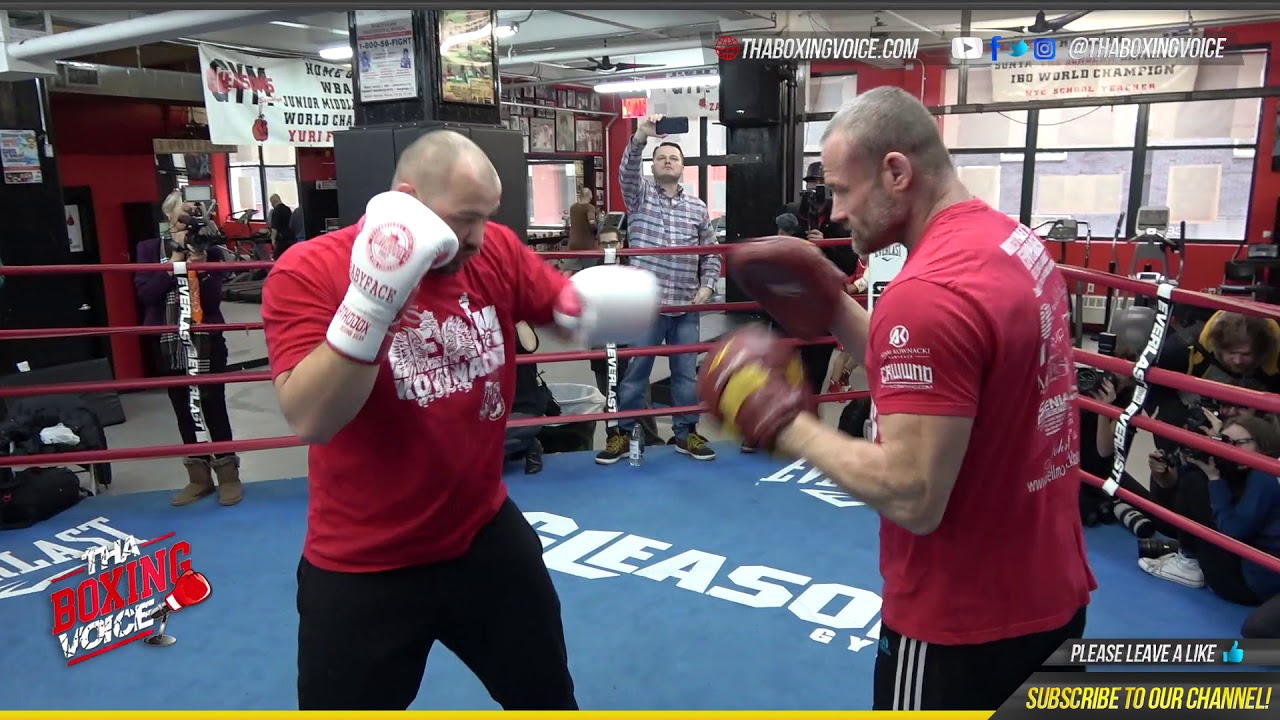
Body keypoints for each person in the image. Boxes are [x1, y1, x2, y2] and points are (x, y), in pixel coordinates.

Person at [697, 86, 1094, 711]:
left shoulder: (930, 290)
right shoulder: (1012, 244)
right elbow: (950, 377)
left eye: (841, 190)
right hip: (1048, 591)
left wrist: (782, 422)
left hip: (962, 616)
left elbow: (913, 494)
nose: (832, 211)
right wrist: (834, 302)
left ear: (896, 172)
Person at [259, 130, 658, 711]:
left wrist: (597, 304)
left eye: (487, 217)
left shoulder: (492, 247)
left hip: (482, 536)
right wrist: (372, 302)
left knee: (547, 698)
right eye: (463, 219)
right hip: (365, 561)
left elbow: (564, 308)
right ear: (406, 200)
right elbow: (312, 419)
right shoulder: (311, 270)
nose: (476, 236)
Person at [596, 114, 721, 464]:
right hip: (646, 307)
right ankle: (622, 434)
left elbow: (711, 252)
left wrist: (708, 286)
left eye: (674, 158)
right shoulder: (639, 197)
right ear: (653, 164)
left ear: (683, 167)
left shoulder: (697, 208)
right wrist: (639, 139)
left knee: (684, 376)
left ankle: (686, 434)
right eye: (662, 157)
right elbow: (626, 173)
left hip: (685, 305)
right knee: (636, 376)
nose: (668, 161)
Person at [133, 189, 241, 507]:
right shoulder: (149, 249)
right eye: (182, 216)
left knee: (214, 405)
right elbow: (146, 294)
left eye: (193, 217)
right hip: (169, 341)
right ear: (168, 217)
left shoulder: (210, 251)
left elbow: (210, 301)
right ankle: (199, 478)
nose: (187, 224)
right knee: (183, 408)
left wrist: (200, 265)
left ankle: (229, 477)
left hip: (206, 338)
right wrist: (175, 264)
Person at [1139, 414, 1280, 599]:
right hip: (1261, 574)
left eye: (1238, 443)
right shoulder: (1260, 469)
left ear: (1262, 443)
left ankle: (1187, 564)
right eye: (1225, 442)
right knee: (1196, 477)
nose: (1230, 449)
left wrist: (1214, 479)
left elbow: (1233, 531)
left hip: (1249, 585)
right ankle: (1184, 553)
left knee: (1195, 482)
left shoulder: (1265, 477)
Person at [564, 186, 599, 274]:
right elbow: (591, 221)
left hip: (573, 244)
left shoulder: (573, 208)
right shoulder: (589, 207)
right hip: (586, 245)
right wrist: (596, 229)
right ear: (589, 196)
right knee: (589, 272)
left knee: (570, 270)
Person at [268, 193, 297, 260]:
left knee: (277, 258)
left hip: (282, 239)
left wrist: (273, 239)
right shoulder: (288, 209)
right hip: (291, 237)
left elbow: (275, 227)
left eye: (271, 203)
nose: (272, 205)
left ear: (274, 201)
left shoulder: (276, 211)